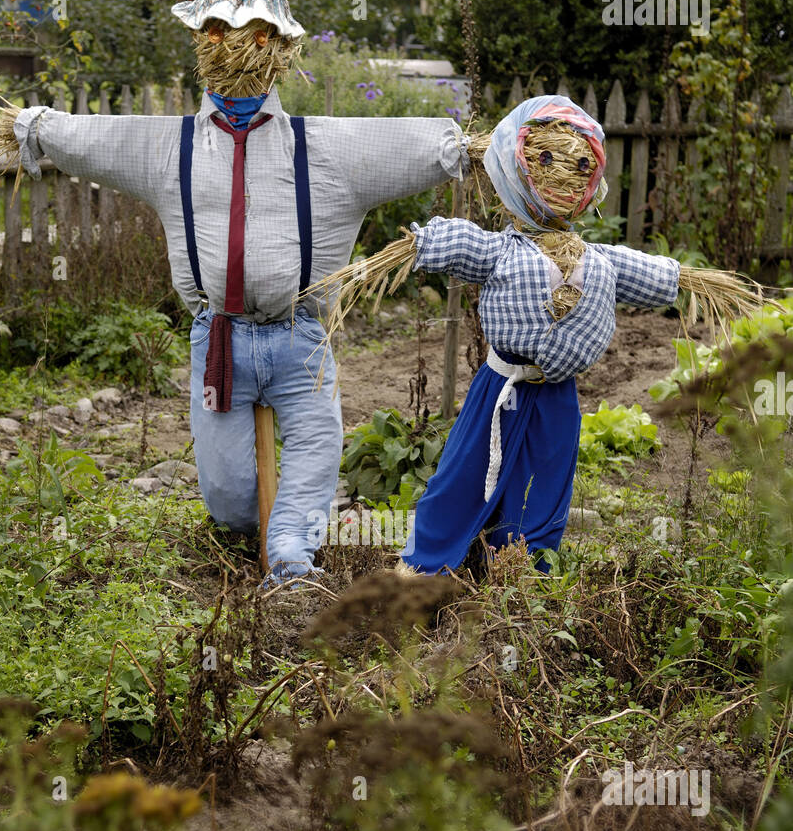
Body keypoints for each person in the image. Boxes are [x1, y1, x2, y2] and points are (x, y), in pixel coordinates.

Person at [0, 0, 478, 582]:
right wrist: (35, 128)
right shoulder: (172, 148)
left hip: (301, 340)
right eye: (213, 30)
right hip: (218, 340)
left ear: (278, 46)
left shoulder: (322, 146)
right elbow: (96, 137)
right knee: (227, 495)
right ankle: (254, 536)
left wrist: (465, 151)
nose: (229, 44)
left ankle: (293, 567)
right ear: (200, 41)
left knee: (317, 456)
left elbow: (403, 145)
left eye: (251, 32)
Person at [303, 94, 760, 575]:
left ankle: (524, 571)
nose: (565, 171)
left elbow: (656, 273)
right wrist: (394, 256)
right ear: (520, 170)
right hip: (500, 387)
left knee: (546, 480)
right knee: (464, 474)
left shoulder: (599, 258)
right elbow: (454, 241)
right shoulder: (501, 251)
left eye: (581, 162)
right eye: (543, 158)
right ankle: (423, 567)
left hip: (559, 395)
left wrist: (701, 283)